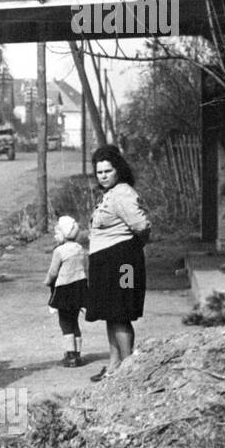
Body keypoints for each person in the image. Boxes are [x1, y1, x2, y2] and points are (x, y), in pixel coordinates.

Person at [84, 145, 151, 382]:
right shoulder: (111, 193)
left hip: (123, 263)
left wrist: (130, 249)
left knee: (120, 312)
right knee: (111, 313)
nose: (103, 176)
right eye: (99, 172)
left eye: (108, 171)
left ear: (118, 171)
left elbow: (142, 226)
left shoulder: (123, 193)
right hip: (107, 261)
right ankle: (114, 364)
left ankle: (129, 370)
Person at [44, 215, 88, 367]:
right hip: (79, 288)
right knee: (74, 321)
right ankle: (77, 354)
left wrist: (47, 282)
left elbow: (53, 272)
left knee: (65, 322)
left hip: (64, 289)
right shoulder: (80, 249)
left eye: (57, 233)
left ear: (62, 234)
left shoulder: (59, 251)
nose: (56, 237)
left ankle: (69, 355)